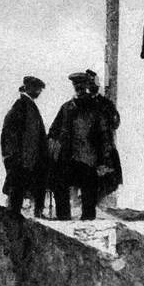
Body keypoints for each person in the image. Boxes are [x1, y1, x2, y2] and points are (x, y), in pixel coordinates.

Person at [47, 71, 115, 220]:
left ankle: (88, 224)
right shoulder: (66, 107)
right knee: (60, 188)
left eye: (81, 84)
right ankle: (63, 221)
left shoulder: (96, 108)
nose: (78, 87)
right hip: (66, 158)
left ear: (86, 86)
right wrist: (53, 147)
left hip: (88, 158)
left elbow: (105, 135)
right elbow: (53, 131)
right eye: (75, 85)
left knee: (89, 195)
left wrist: (105, 160)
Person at [0, 75, 49, 218]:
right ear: (28, 88)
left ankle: (25, 214)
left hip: (29, 158)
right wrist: (13, 155)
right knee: (17, 188)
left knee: (25, 187)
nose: (39, 92)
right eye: (37, 89)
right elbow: (9, 133)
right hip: (21, 158)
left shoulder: (30, 105)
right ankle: (13, 215)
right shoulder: (21, 105)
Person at [85, 69, 123, 201]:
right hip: (88, 147)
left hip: (105, 145)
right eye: (89, 83)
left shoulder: (105, 103)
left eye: (93, 82)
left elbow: (116, 121)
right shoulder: (83, 103)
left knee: (111, 179)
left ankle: (97, 202)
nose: (91, 86)